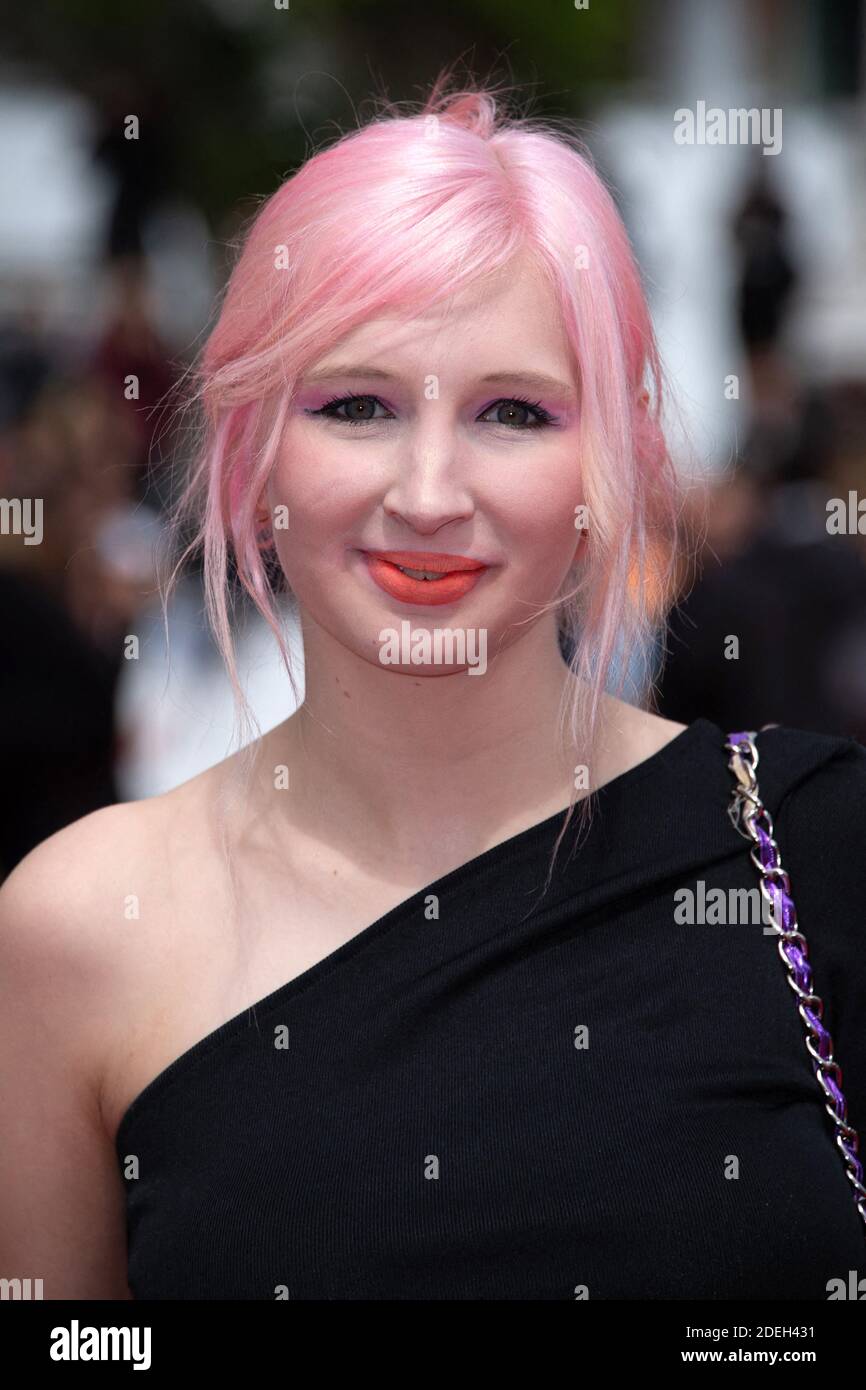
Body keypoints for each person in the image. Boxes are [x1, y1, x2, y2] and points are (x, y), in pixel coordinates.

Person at [1, 75, 864, 1302]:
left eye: (512, 412)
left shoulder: (813, 846)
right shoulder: (78, 928)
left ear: (608, 457)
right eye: (355, 404)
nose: (426, 490)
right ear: (251, 448)